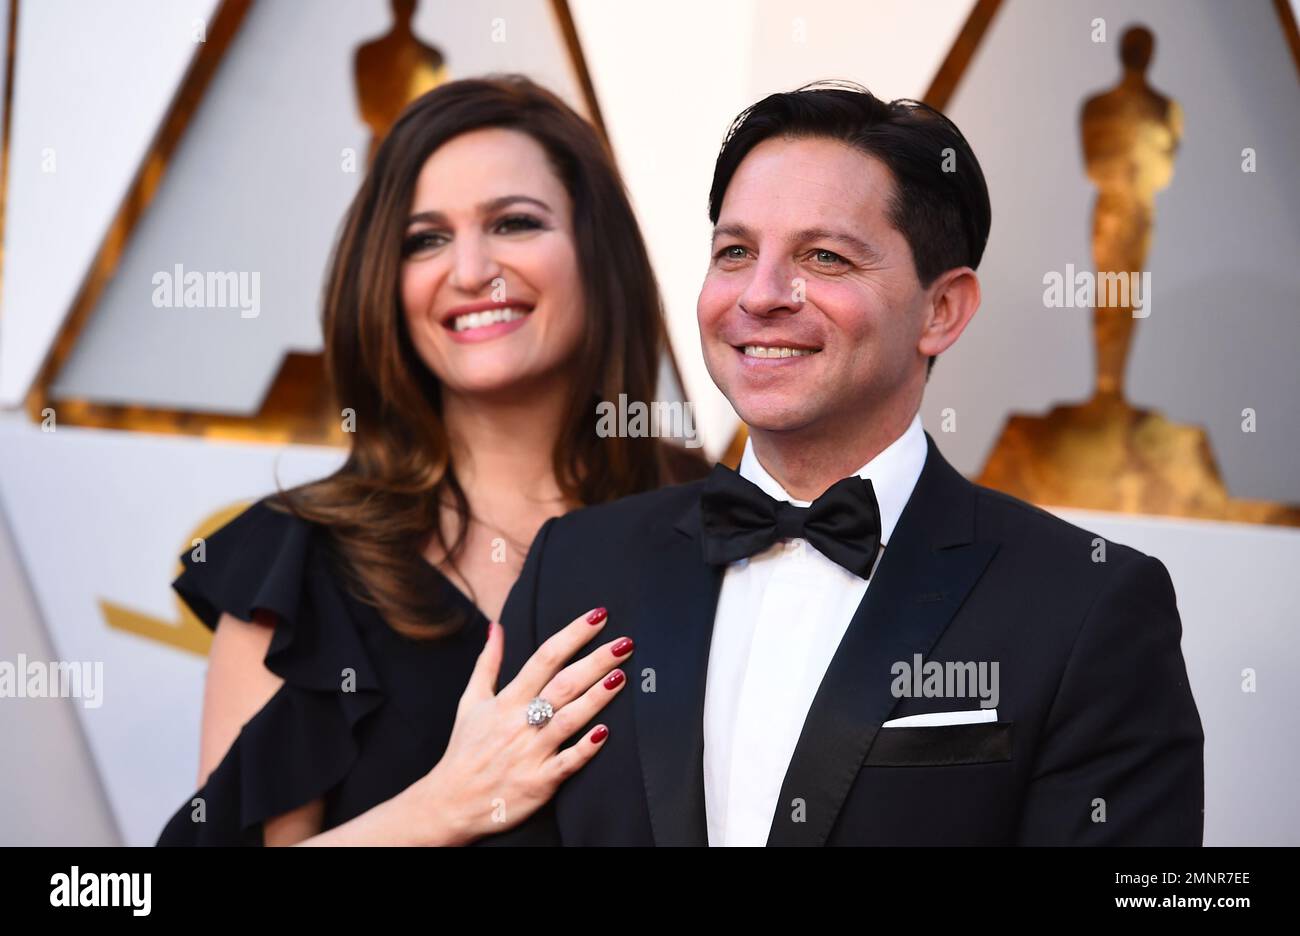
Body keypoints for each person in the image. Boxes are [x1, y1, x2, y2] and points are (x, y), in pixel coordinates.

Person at [485, 81, 1204, 846]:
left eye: (823, 257)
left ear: (943, 310)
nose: (760, 296)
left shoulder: (1088, 607)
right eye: (735, 252)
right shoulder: (575, 569)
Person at [157, 75, 705, 846]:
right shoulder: (298, 564)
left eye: (515, 223)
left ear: (596, 250)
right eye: (426, 239)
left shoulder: (721, 516)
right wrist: (448, 804)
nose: (472, 269)